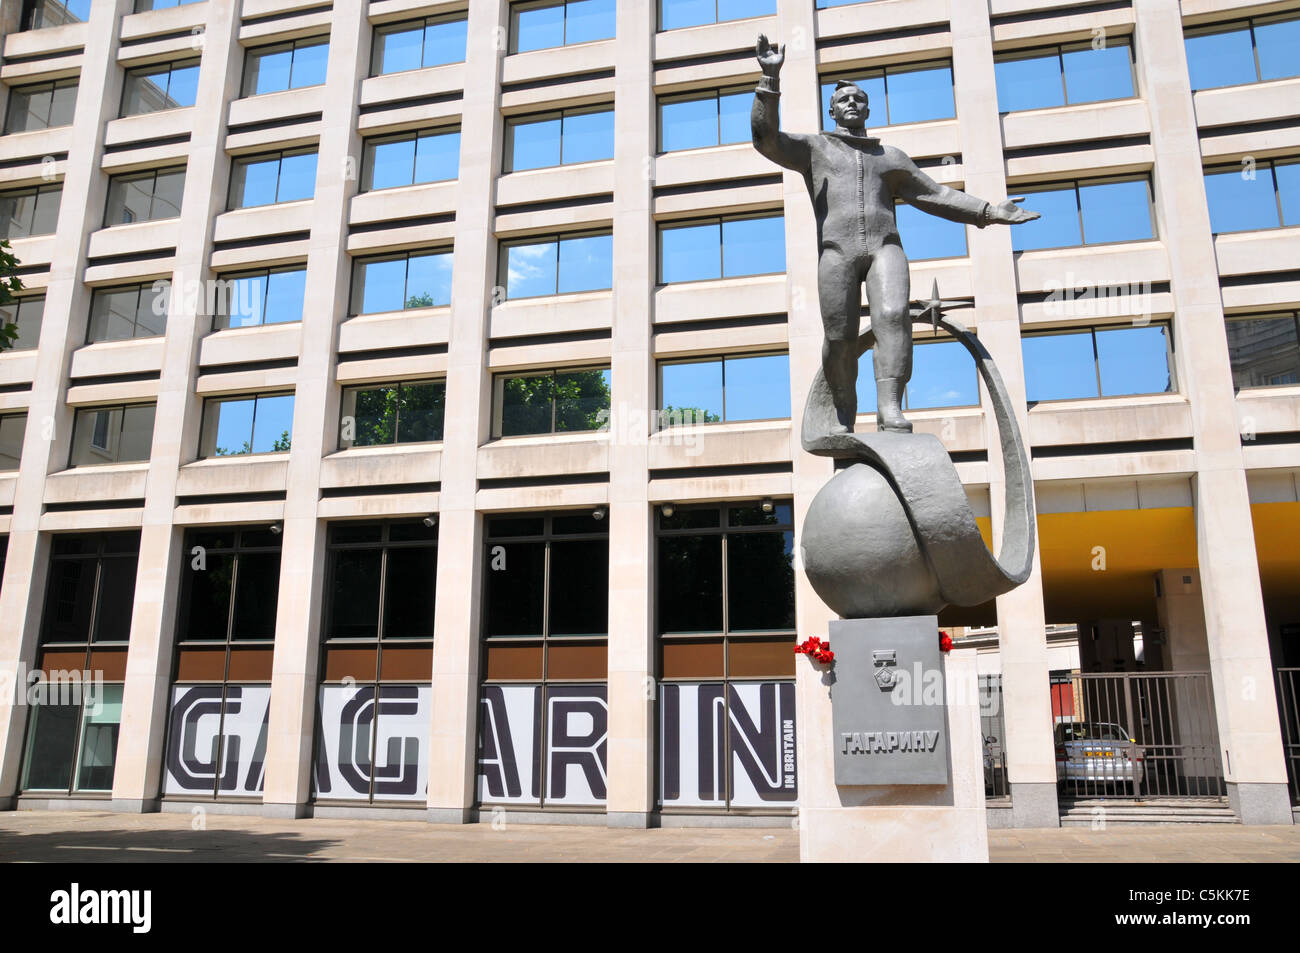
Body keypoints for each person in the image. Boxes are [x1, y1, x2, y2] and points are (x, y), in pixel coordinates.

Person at [751, 34, 1038, 433]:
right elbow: (766, 139)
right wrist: (769, 79)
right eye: (844, 99)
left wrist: (988, 211)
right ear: (831, 110)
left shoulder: (891, 158)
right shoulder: (815, 149)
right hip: (837, 252)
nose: (852, 102)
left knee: (892, 315)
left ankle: (890, 406)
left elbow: (935, 195)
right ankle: (843, 413)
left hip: (885, 248)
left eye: (859, 98)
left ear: (868, 109)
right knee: (839, 338)